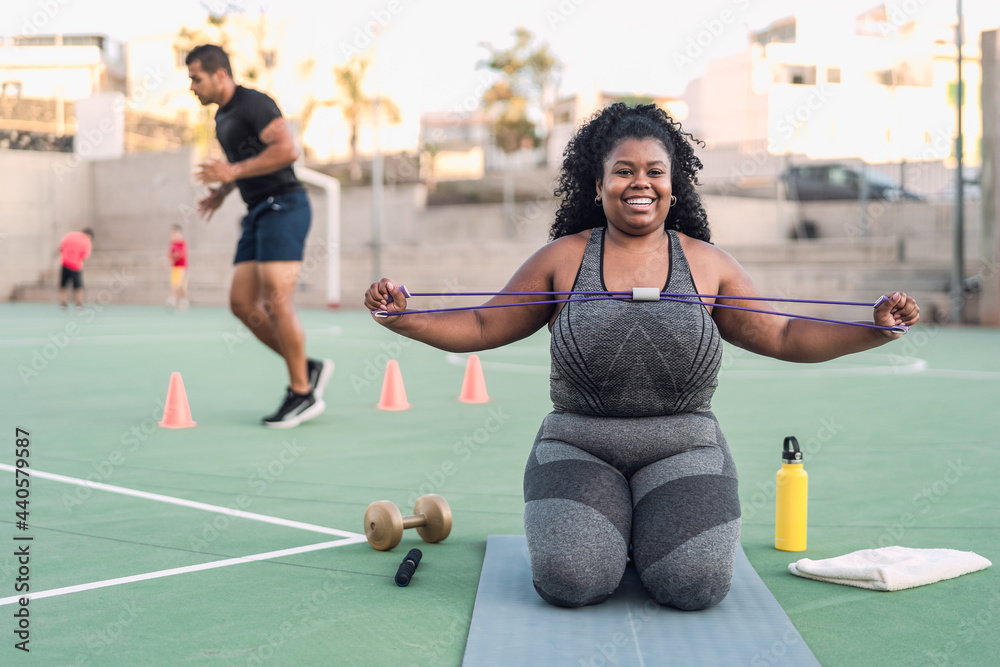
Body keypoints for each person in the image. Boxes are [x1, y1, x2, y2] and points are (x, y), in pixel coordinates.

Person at [365, 103, 920, 610]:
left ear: (674, 186)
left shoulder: (707, 264)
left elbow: (782, 336)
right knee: (572, 580)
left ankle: (637, 529)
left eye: (655, 171)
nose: (641, 182)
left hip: (686, 445)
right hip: (579, 442)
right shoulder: (563, 258)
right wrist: (405, 316)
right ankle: (611, 531)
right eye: (624, 170)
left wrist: (872, 330)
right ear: (599, 183)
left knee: (696, 585)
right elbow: (485, 323)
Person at [186, 44, 333, 428]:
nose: (192, 87)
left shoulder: (255, 103)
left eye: (195, 78)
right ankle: (306, 366)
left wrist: (232, 174)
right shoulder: (222, 119)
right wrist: (222, 191)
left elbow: (287, 150)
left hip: (284, 205)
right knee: (241, 303)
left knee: (276, 300)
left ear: (220, 75)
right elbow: (244, 167)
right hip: (257, 213)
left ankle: (302, 393)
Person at [59, 227, 93, 311]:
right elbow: (85, 255)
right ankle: (79, 304)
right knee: (78, 286)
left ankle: (63, 304)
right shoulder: (87, 241)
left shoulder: (70, 235)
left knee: (63, 285)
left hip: (65, 263)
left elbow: (61, 246)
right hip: (76, 266)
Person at [167, 224, 190, 310]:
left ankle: (173, 299)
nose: (173, 234)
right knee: (175, 284)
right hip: (174, 267)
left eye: (174, 232)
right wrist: (167, 260)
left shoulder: (181, 242)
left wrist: (174, 256)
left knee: (180, 284)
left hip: (181, 267)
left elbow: (181, 254)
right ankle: (180, 300)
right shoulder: (172, 243)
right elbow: (170, 255)